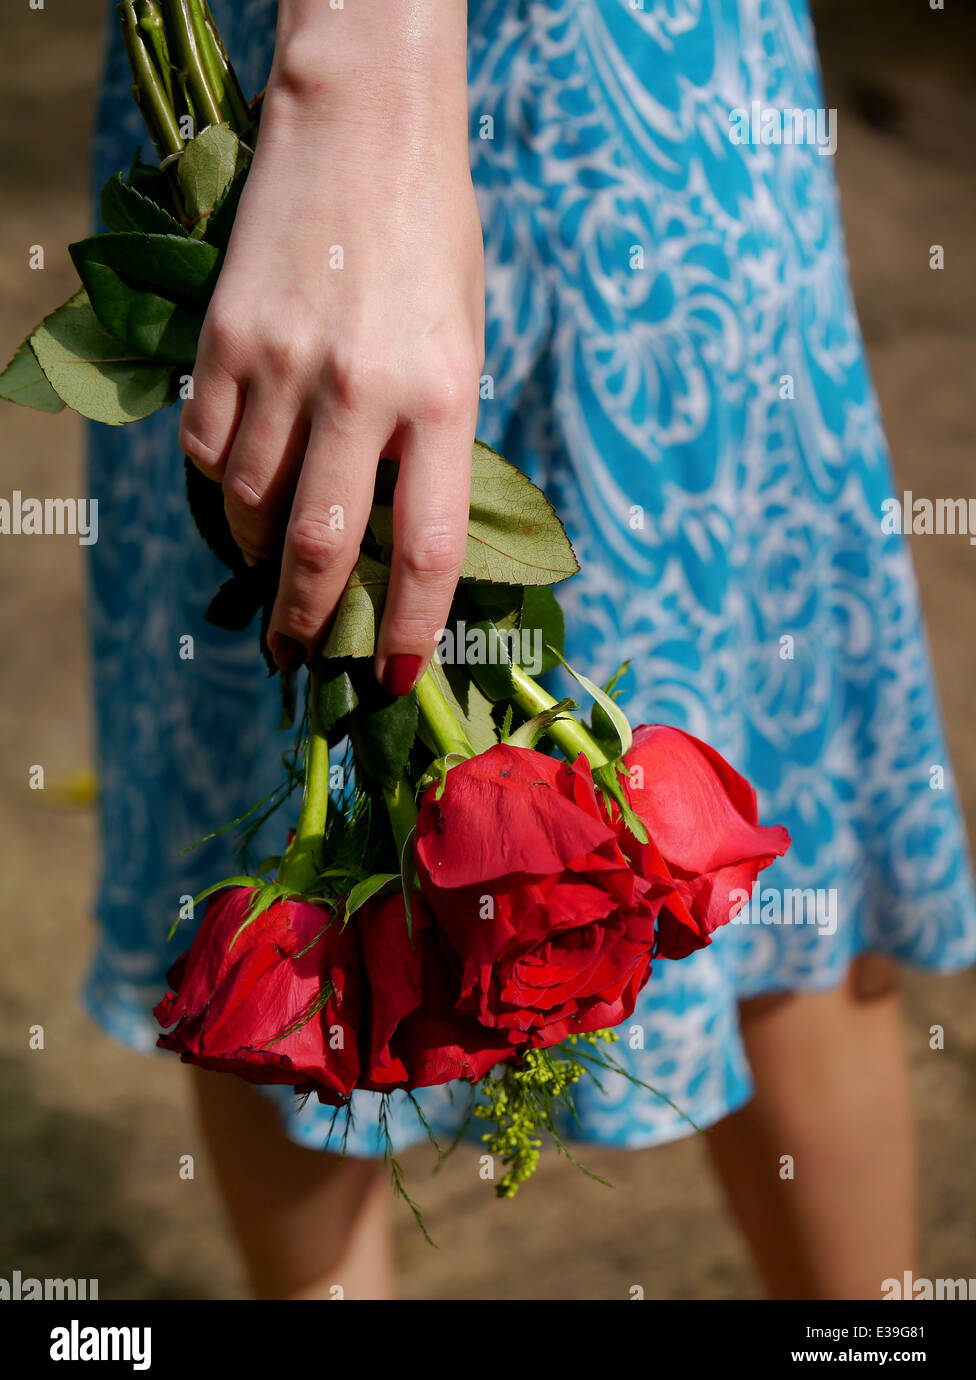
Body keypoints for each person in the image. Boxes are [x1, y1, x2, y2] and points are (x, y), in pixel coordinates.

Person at [84, 0, 976, 1299]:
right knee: (268, 858)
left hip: (582, 96)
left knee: (763, 838)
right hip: (237, 112)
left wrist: (350, 82)